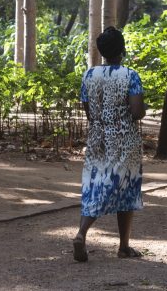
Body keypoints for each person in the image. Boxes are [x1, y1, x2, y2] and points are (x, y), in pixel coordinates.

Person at [72, 26, 146, 263]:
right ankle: (114, 243)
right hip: (124, 141)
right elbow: (137, 112)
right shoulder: (130, 75)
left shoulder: (89, 75)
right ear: (122, 49)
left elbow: (88, 113)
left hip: (97, 139)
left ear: (102, 51)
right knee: (124, 186)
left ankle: (91, 236)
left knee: (95, 184)